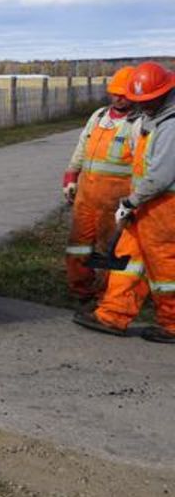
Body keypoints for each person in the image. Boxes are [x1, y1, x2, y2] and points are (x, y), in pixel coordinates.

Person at [74, 62, 175, 343]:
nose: (143, 104)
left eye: (149, 99)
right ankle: (112, 315)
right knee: (129, 259)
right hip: (146, 203)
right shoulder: (153, 118)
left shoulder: (171, 125)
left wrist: (131, 202)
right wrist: (133, 203)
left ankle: (172, 324)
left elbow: (160, 176)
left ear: (165, 93)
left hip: (165, 207)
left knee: (165, 267)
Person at [63, 66, 141, 301]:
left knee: (112, 249)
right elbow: (82, 147)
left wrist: (135, 201)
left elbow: (142, 166)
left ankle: (108, 294)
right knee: (78, 244)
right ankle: (80, 287)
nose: (118, 98)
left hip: (115, 202)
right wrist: (70, 176)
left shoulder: (138, 123)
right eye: (115, 93)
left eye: (124, 94)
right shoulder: (98, 116)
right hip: (86, 197)